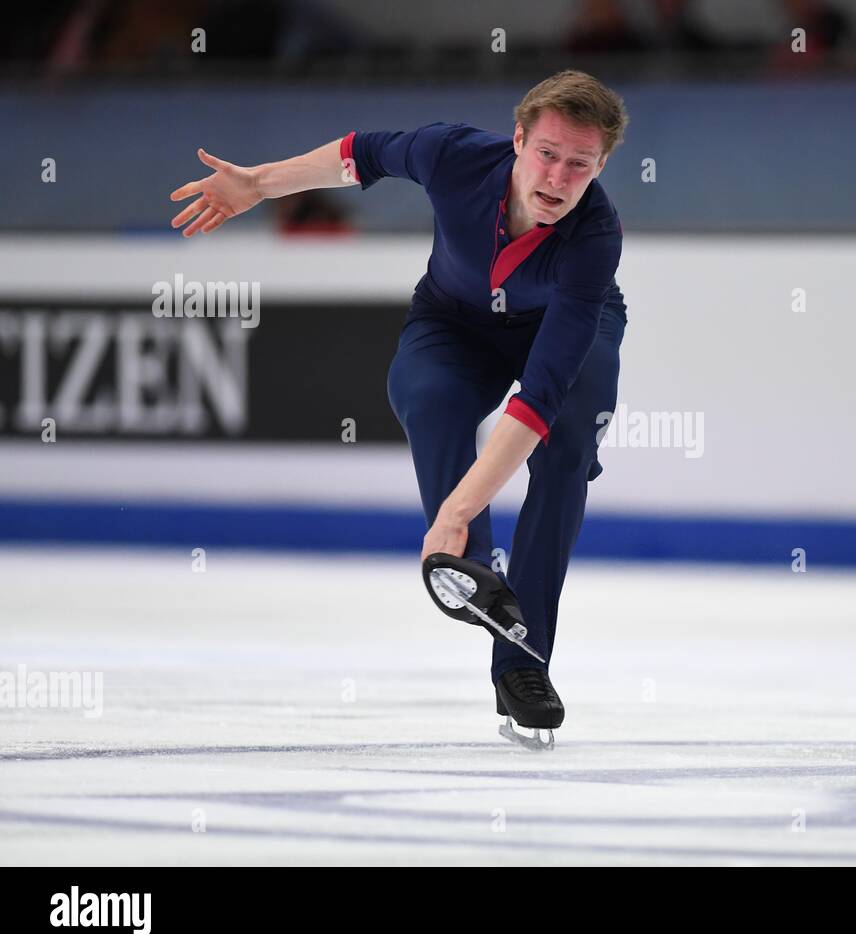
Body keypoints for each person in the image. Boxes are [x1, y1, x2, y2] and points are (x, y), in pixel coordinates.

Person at [168, 70, 630, 745]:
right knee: (427, 393)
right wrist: (260, 184)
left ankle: (521, 666)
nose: (558, 178)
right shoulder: (454, 155)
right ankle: (476, 573)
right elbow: (362, 153)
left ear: (602, 165)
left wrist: (454, 509)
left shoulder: (594, 237)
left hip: (568, 332)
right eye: (547, 154)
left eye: (579, 164)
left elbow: (535, 401)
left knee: (562, 454)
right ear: (518, 139)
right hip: (455, 321)